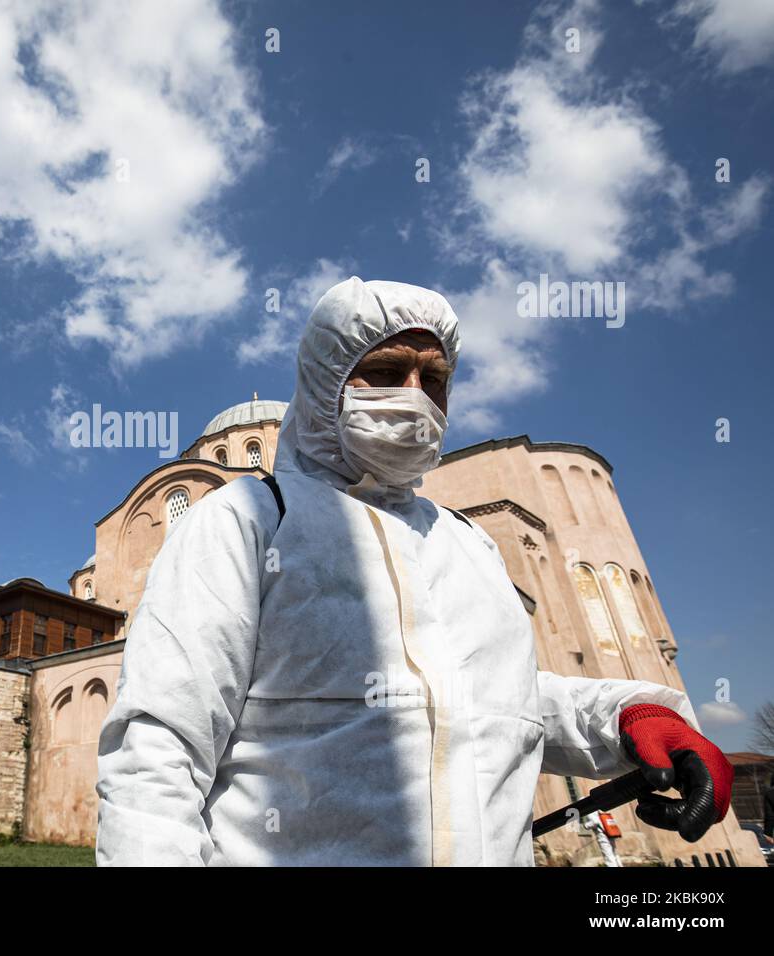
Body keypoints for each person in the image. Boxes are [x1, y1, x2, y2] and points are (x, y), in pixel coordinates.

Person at [95, 276, 733, 866]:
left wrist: (632, 717)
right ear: (324, 388)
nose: (414, 396)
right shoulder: (246, 517)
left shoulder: (464, 541)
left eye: (433, 380)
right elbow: (158, 744)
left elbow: (493, 698)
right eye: (383, 373)